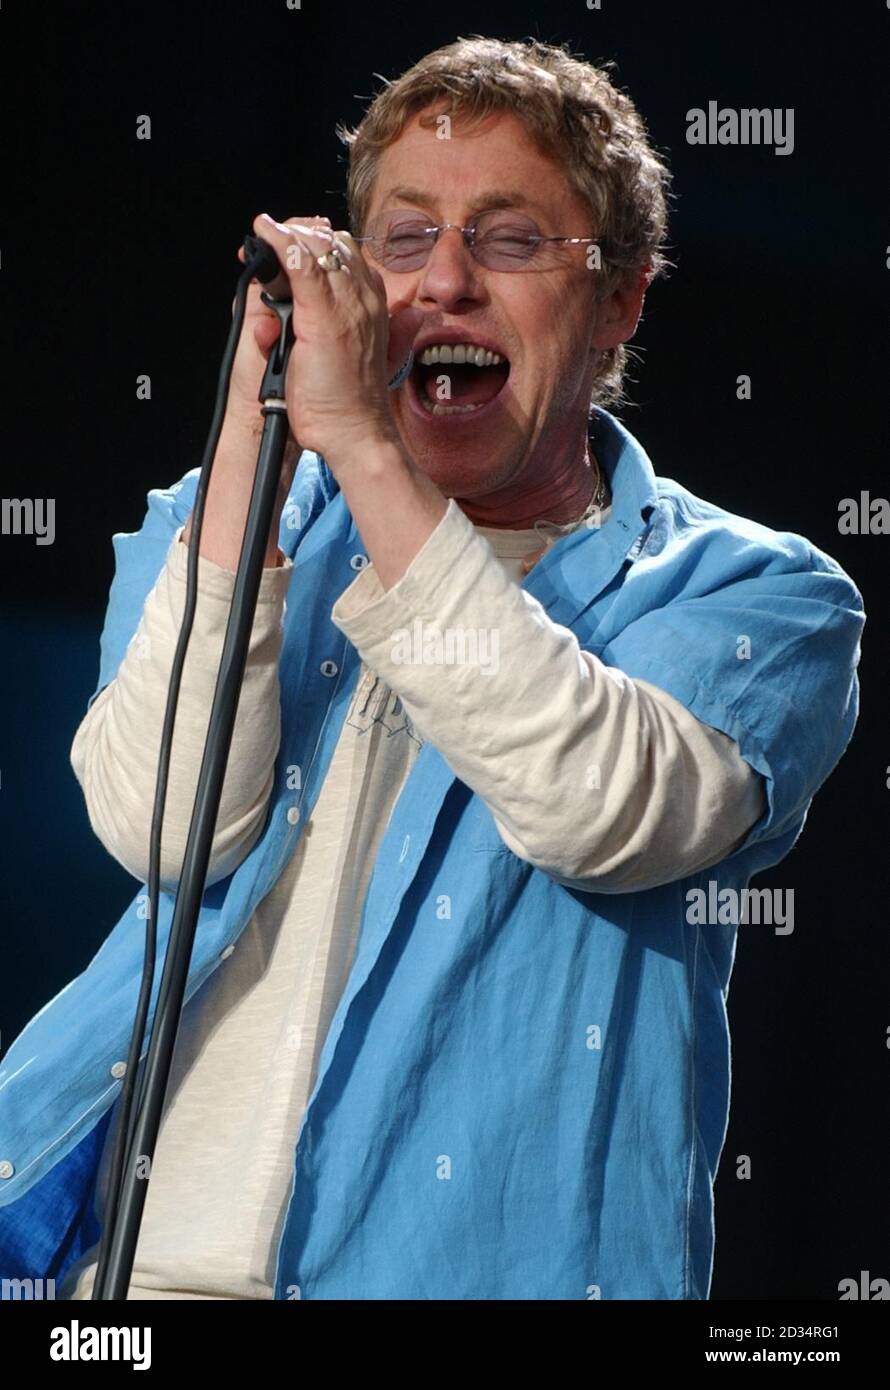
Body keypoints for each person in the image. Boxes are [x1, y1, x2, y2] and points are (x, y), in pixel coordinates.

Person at [0, 36, 863, 1300]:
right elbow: (159, 827)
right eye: (401, 244)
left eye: (509, 241)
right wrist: (259, 438)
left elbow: (598, 808)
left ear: (619, 297)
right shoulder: (226, 512)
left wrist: (357, 442)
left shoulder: (752, 592)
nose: (445, 282)